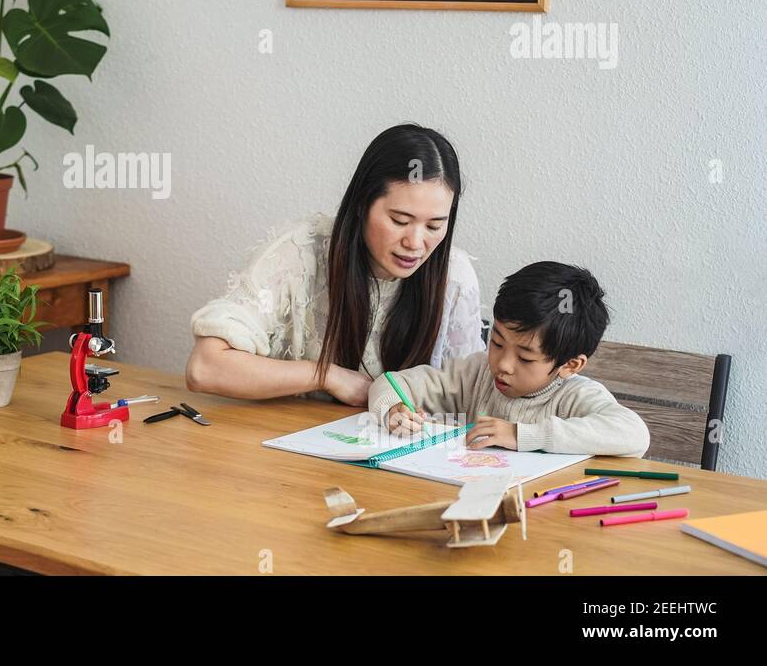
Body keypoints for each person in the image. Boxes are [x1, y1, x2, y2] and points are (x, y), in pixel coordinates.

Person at [186, 123, 483, 406]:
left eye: (434, 226)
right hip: (285, 445)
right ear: (361, 205)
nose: (416, 243)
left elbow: (471, 400)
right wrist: (325, 375)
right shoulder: (300, 253)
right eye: (400, 221)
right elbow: (205, 368)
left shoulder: (454, 277)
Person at [372, 261, 650, 457]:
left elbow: (634, 434)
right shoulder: (477, 372)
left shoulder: (575, 395)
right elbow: (392, 382)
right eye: (496, 342)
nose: (502, 364)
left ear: (569, 365)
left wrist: (520, 435)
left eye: (526, 358)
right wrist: (392, 409)